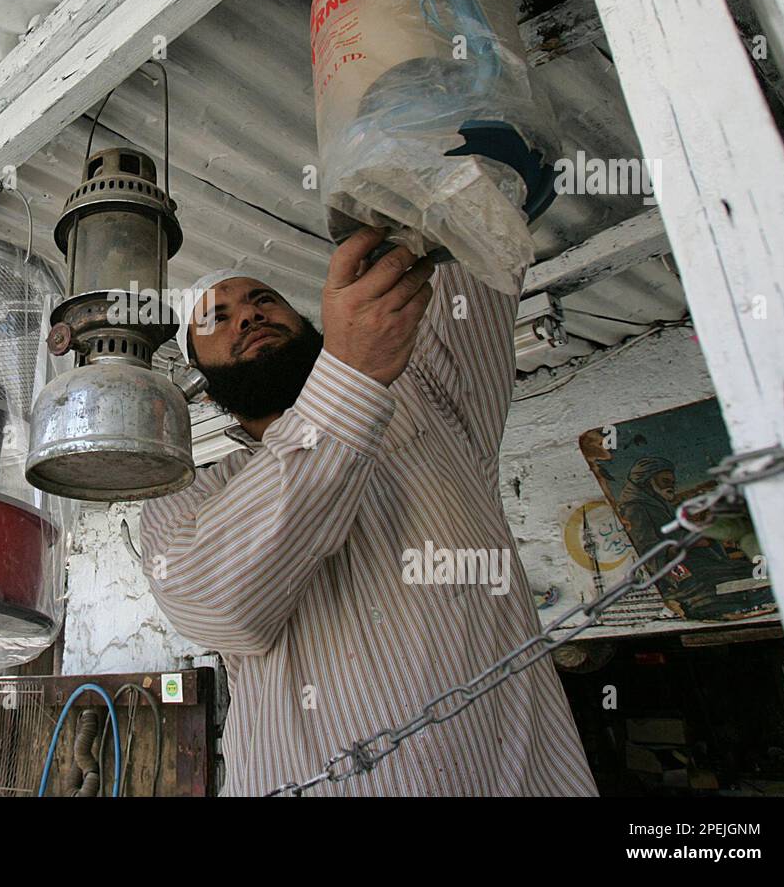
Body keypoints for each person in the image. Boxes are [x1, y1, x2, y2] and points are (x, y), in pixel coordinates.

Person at [141, 228, 597, 795]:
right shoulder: (187, 497)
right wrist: (350, 376)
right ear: (204, 388)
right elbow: (221, 607)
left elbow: (477, 247)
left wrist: (392, 213)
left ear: (310, 324)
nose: (249, 317)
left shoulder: (425, 395)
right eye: (216, 318)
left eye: (264, 300)